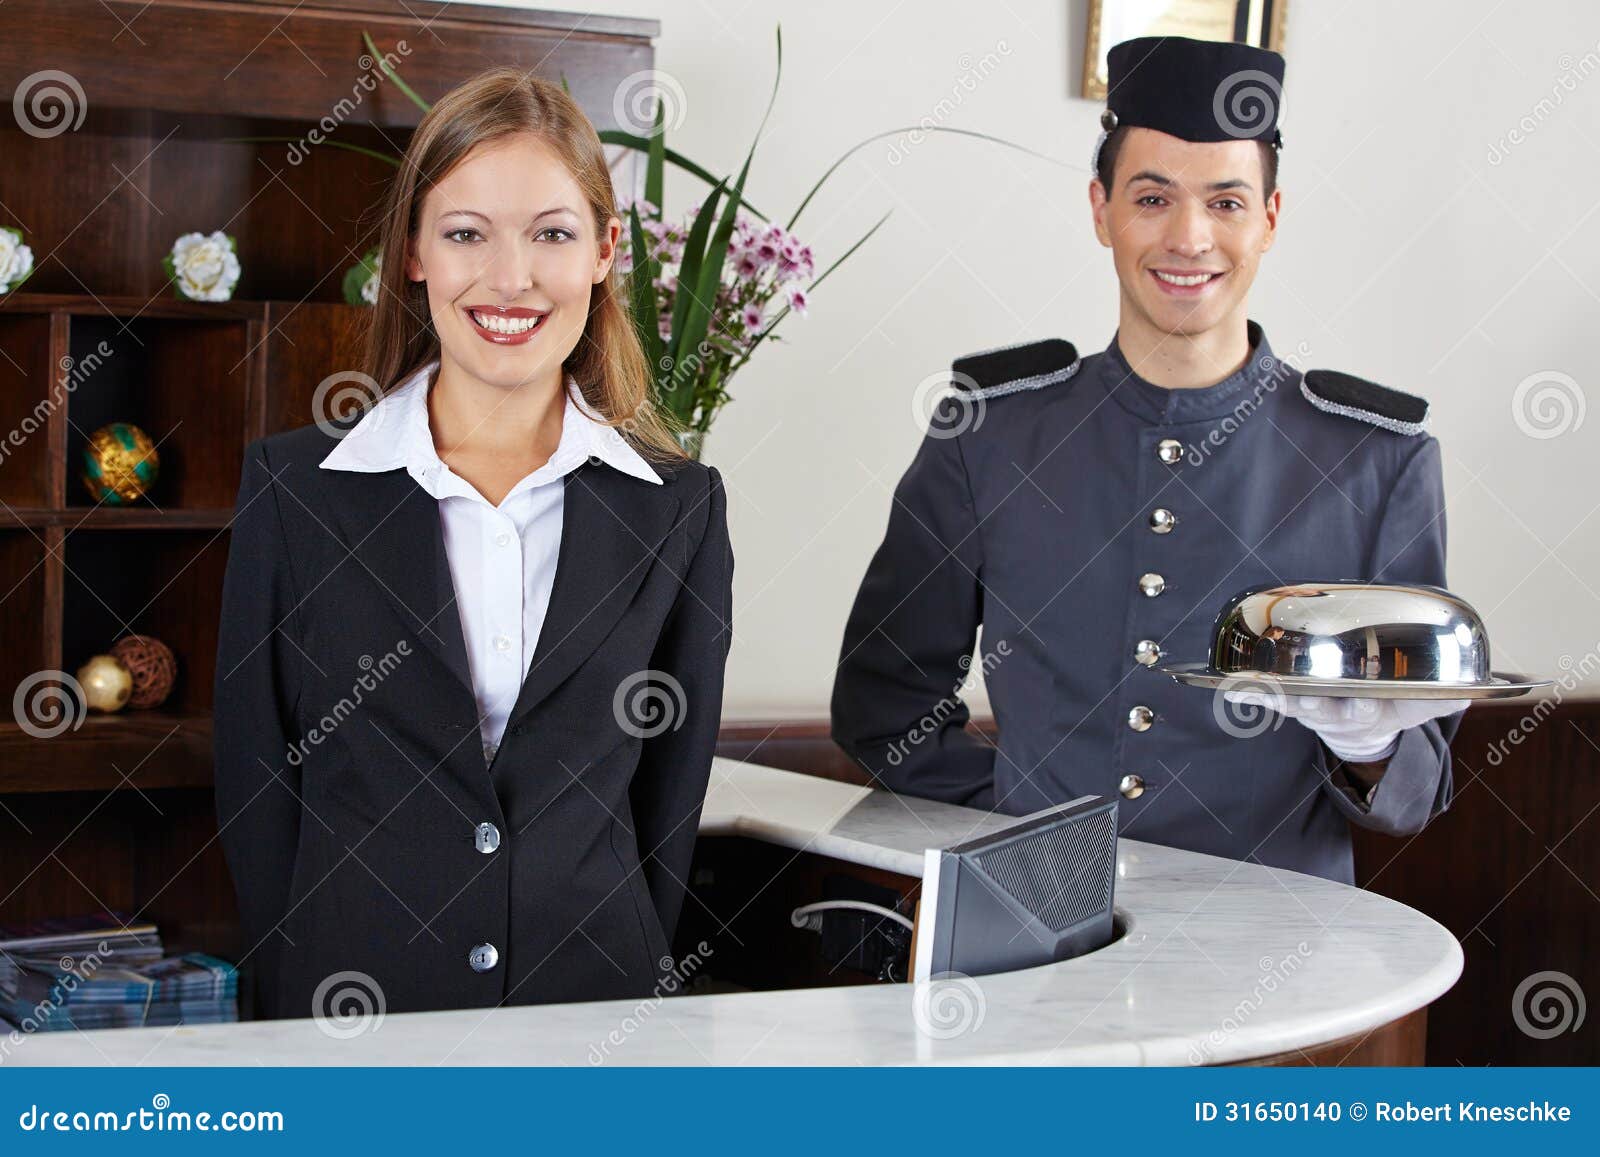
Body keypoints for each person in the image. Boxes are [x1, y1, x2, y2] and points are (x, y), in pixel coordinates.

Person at [830, 36, 1466, 885]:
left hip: (1281, 956)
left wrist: (1373, 744)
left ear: (1270, 221)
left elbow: (1417, 794)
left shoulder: (1376, 460)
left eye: (1227, 202)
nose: (1189, 237)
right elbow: (883, 703)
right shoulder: (987, 434)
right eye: (1153, 196)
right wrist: (1015, 832)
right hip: (1037, 939)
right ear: (1101, 209)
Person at [213, 68, 733, 1019]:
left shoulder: (678, 509)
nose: (512, 278)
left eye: (552, 234)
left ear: (606, 251)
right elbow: (257, 785)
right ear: (414, 253)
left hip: (593, 1015)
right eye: (466, 234)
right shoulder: (296, 493)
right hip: (351, 1014)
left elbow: (669, 803)